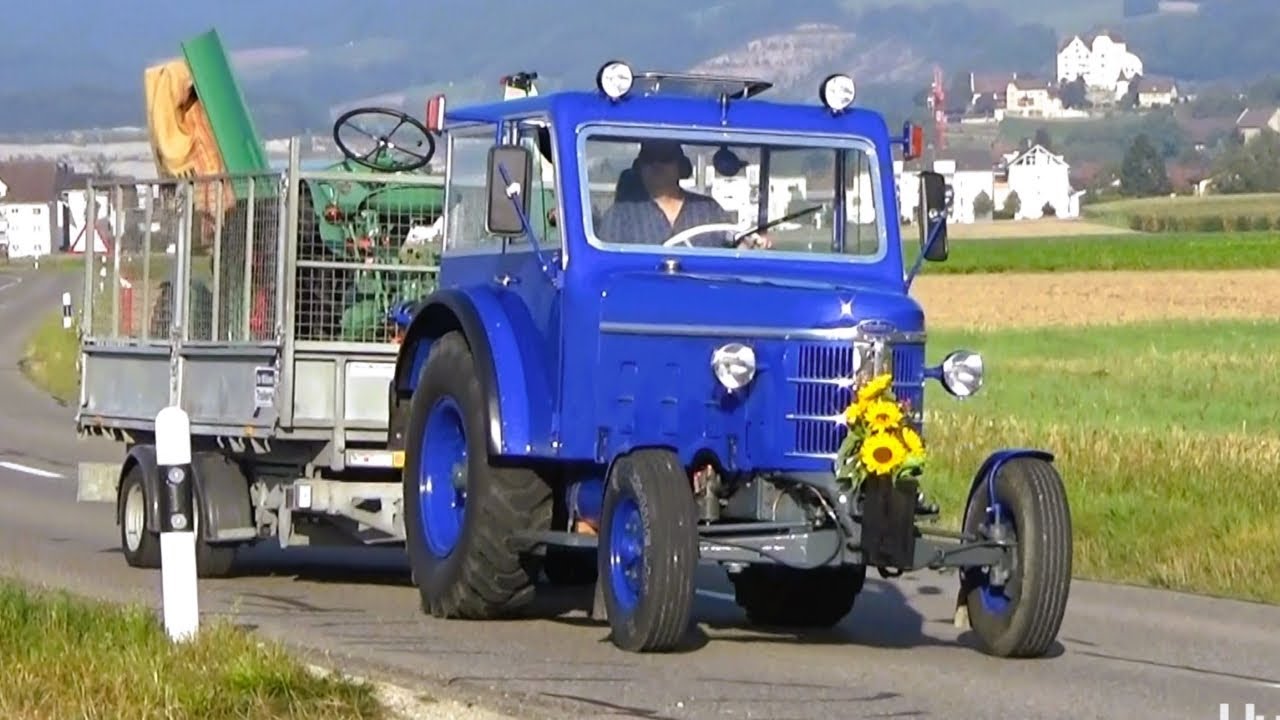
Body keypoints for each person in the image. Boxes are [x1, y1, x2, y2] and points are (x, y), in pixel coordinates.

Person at [595, 139, 769, 249]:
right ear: (639, 167)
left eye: (665, 158)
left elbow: (734, 252)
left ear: (681, 167)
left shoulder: (709, 209)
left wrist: (752, 245)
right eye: (649, 159)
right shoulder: (620, 215)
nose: (657, 165)